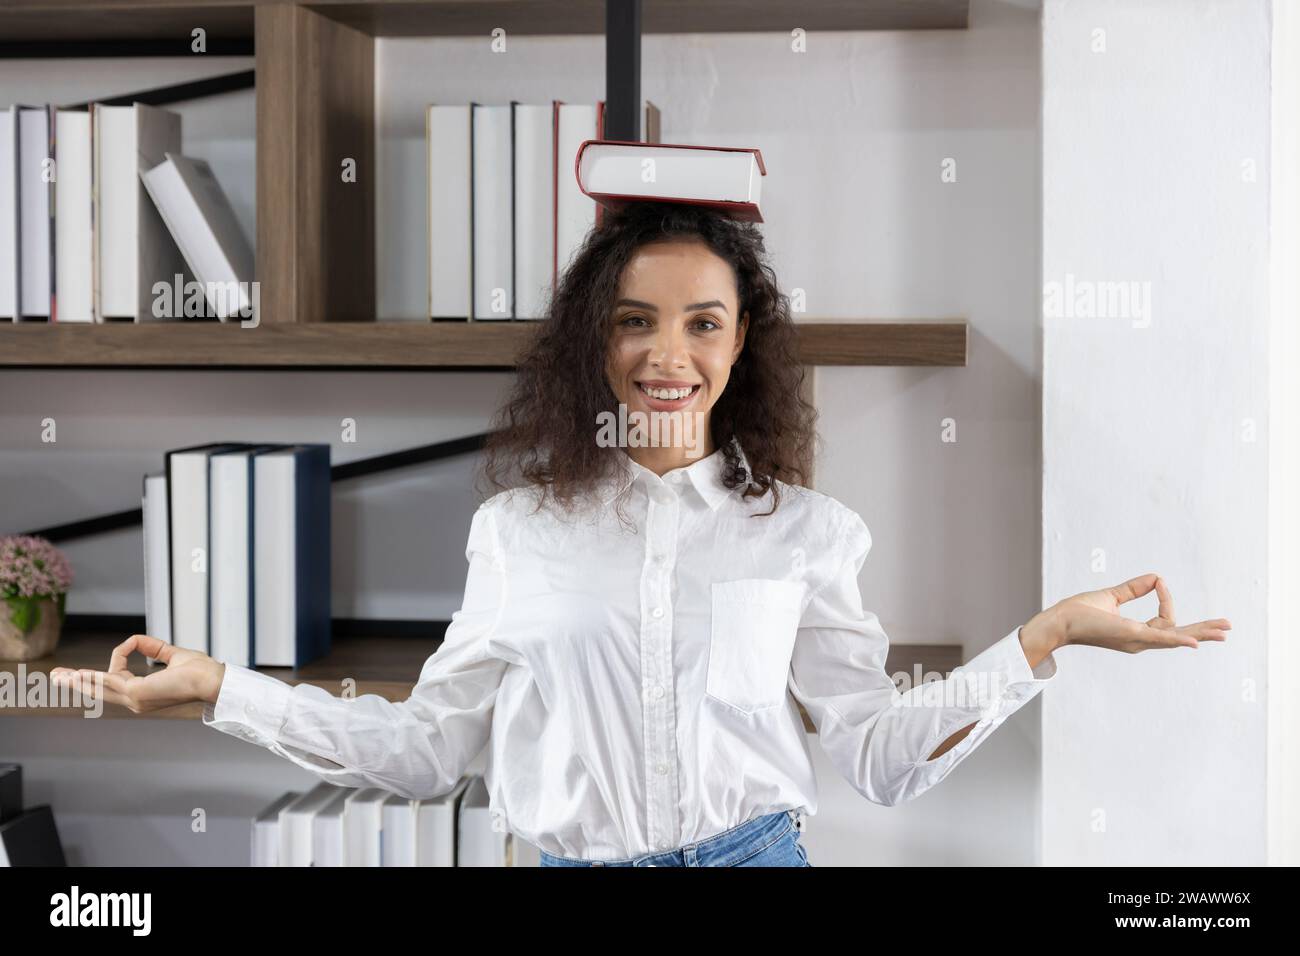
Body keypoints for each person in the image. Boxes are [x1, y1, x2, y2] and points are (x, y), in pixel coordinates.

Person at [53, 202, 1231, 868]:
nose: (668, 353)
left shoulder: (812, 534)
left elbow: (875, 758)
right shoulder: (518, 531)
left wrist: (1041, 640)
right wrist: (221, 689)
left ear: (739, 347)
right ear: (595, 344)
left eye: (702, 323)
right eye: (636, 321)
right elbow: (421, 753)